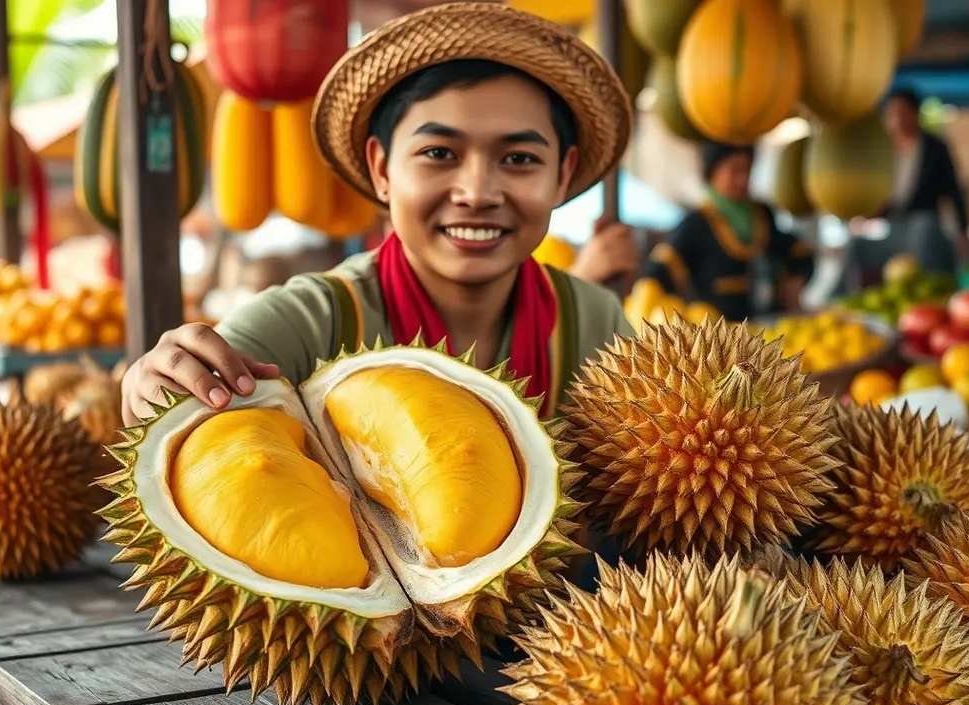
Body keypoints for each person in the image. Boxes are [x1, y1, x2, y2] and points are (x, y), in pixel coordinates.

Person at [121, 2, 635, 427]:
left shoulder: (593, 323)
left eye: (519, 159)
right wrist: (163, 379)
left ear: (562, 175)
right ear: (382, 168)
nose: (477, 192)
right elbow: (194, 403)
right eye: (439, 153)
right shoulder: (311, 322)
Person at [639, 141, 814, 321]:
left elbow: (797, 251)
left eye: (747, 170)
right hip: (718, 337)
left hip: (769, 327)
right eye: (735, 171)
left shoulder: (763, 214)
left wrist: (795, 281)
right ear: (712, 172)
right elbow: (660, 272)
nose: (743, 179)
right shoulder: (697, 224)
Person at [880, 87, 969, 270]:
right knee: (856, 246)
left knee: (922, 227)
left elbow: (953, 190)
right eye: (892, 112)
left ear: (915, 113)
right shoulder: (884, 151)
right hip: (894, 224)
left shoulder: (934, 148)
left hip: (926, 224)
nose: (897, 118)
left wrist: (963, 231)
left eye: (902, 111)